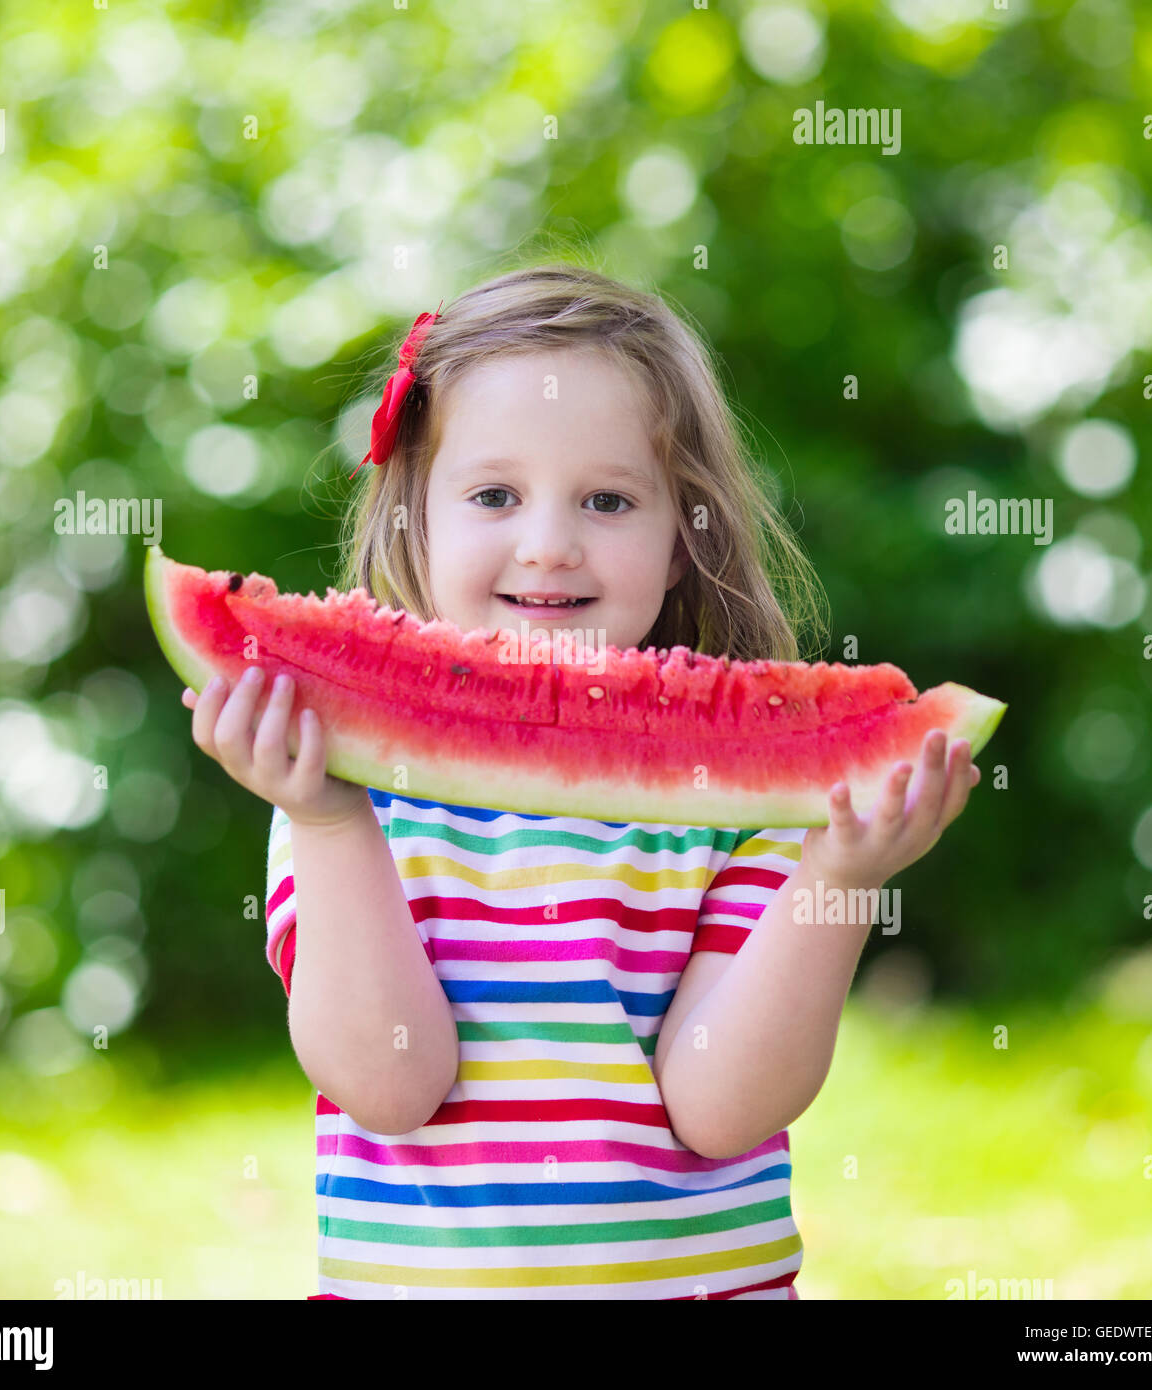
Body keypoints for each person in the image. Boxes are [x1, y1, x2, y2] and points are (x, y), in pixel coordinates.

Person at [181, 263, 982, 1299]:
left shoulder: (740, 809)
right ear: (413, 520)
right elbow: (388, 1082)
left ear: (683, 540)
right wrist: (329, 824)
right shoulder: (339, 788)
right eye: (493, 495)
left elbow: (723, 1105)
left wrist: (840, 876)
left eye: (607, 499)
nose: (548, 544)